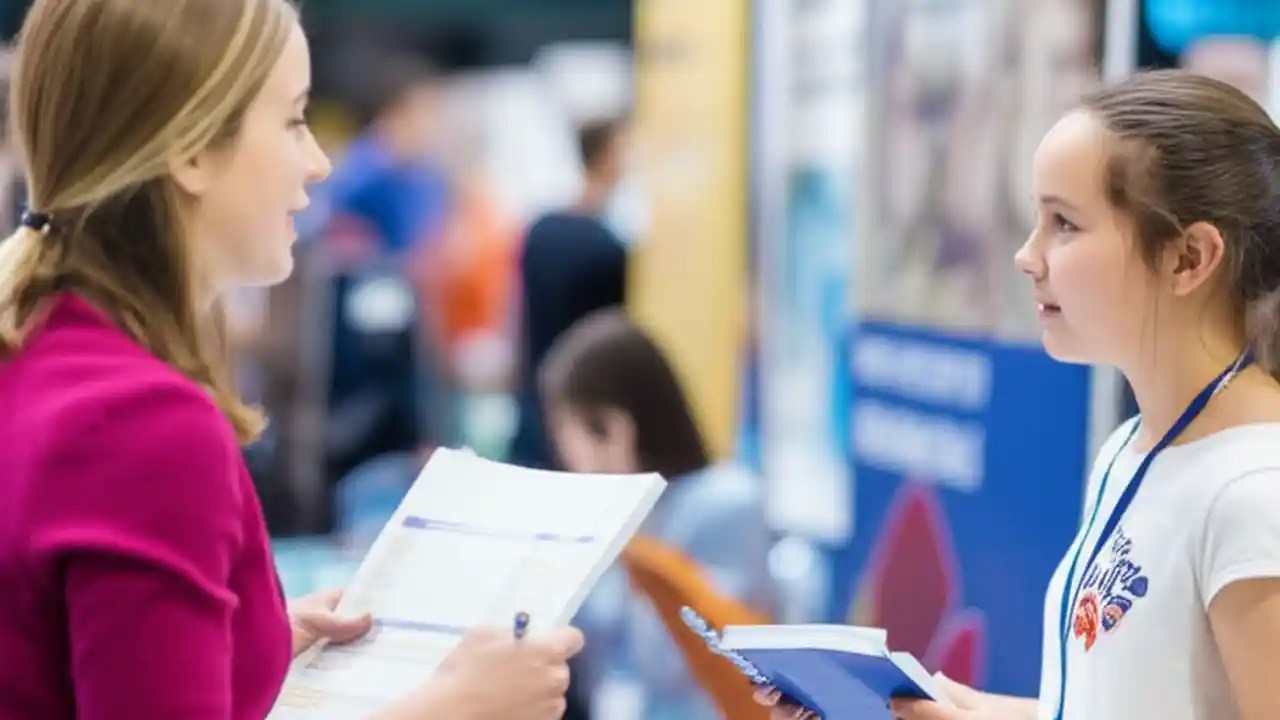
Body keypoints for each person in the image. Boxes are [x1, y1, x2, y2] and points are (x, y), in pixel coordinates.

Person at [0, 2, 581, 719]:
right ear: (190, 150)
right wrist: (456, 707)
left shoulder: (36, 351)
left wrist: (247, 645)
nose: (318, 161)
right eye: (293, 119)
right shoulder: (142, 423)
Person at [766, 69, 1280, 720]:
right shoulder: (1134, 445)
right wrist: (954, 711)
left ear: (1188, 258)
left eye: (1065, 223)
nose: (1027, 256)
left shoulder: (1255, 491)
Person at [541, 308, 773, 719]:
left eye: (566, 426)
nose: (562, 449)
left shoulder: (723, 503)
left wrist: (627, 523)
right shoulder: (599, 516)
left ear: (614, 425)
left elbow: (673, 661)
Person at [509, 118, 630, 471]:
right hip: (586, 408)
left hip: (536, 404)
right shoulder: (605, 246)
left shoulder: (542, 231)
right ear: (608, 155)